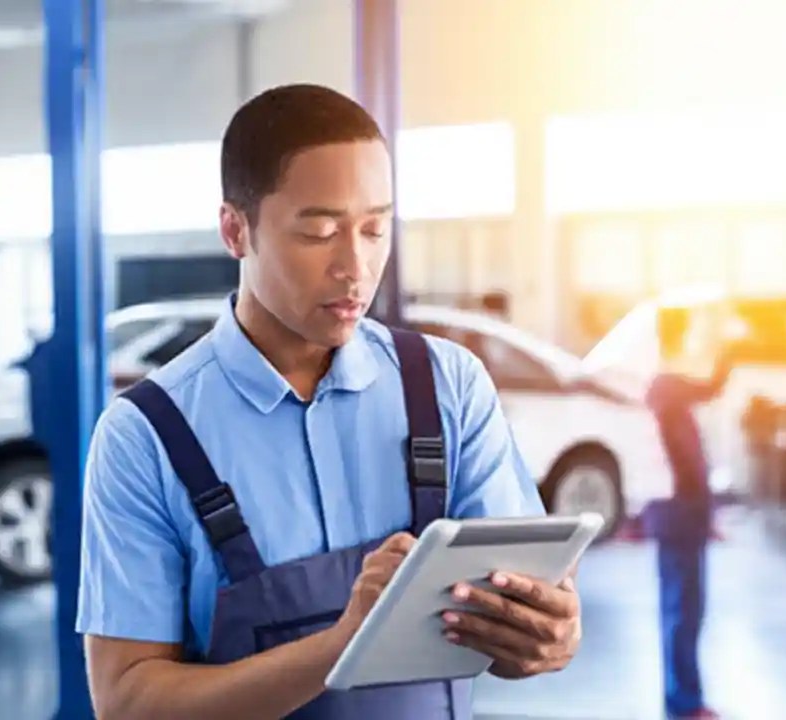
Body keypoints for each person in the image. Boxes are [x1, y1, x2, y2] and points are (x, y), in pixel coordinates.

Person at [77, 84, 582, 720]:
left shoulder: (448, 386)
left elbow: (519, 613)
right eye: (319, 231)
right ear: (235, 230)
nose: (355, 266)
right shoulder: (146, 437)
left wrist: (545, 633)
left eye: (375, 229)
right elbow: (127, 704)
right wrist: (343, 647)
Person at [644, 305, 734, 720]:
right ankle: (684, 702)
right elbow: (689, 465)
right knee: (684, 610)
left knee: (680, 608)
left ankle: (683, 698)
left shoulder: (664, 387)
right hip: (680, 517)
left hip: (678, 516)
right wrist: (728, 343)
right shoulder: (667, 386)